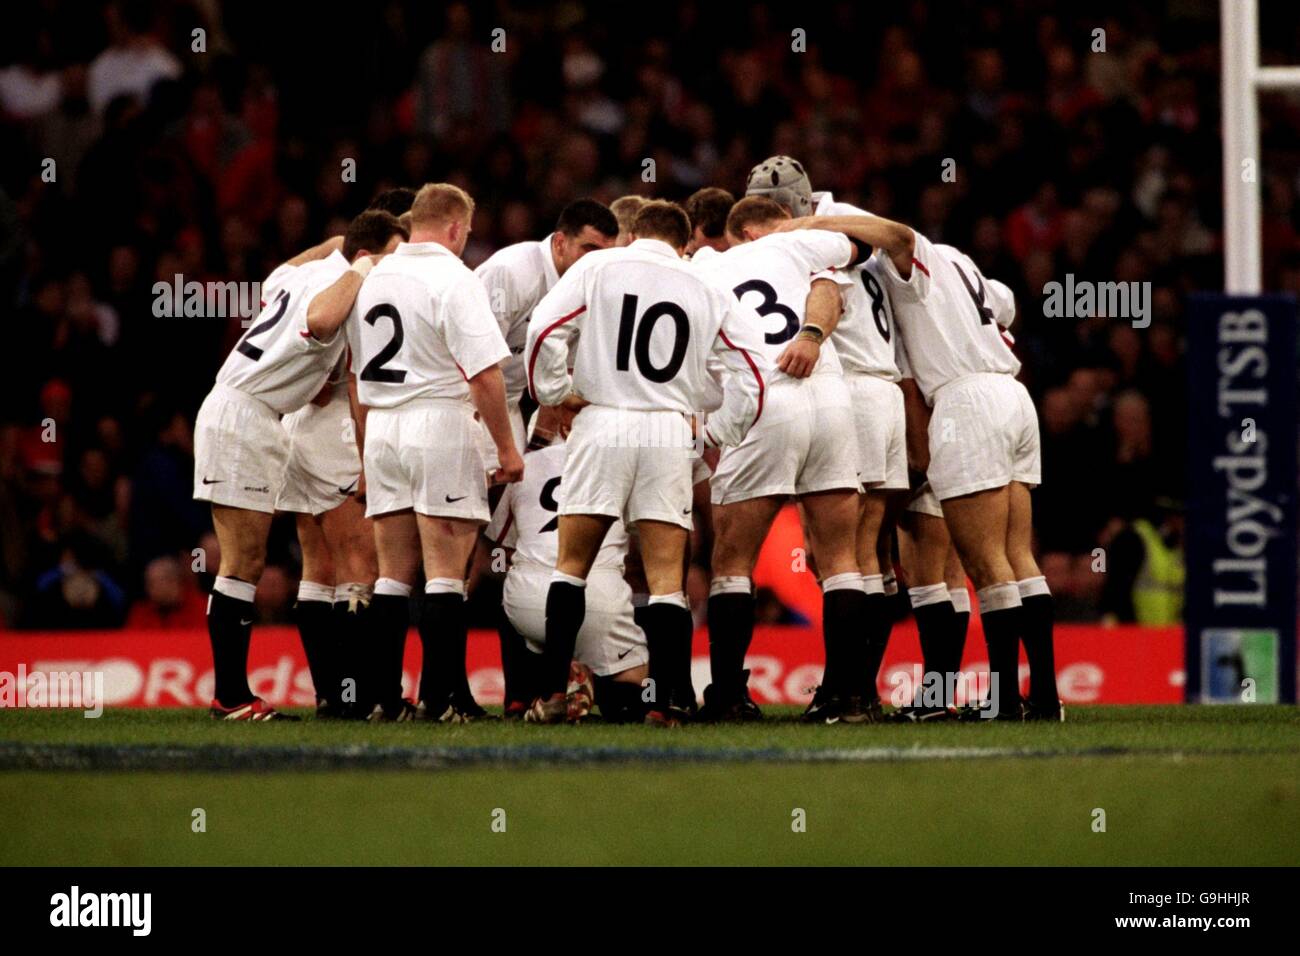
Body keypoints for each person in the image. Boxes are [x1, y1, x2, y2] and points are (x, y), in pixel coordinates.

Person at [524, 200, 770, 725]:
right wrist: (715, 432)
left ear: (634, 232)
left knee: (571, 568)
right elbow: (752, 370)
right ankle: (669, 699)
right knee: (665, 581)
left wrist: (556, 392)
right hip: (666, 429)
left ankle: (549, 695)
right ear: (684, 245)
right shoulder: (703, 282)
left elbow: (544, 329)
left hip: (603, 421)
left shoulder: (598, 266)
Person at [309, 183, 523, 722]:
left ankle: (384, 697)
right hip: (438, 422)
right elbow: (484, 374)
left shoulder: (374, 276)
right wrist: (506, 447)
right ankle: (444, 699)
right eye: (467, 232)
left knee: (392, 575)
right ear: (455, 227)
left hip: (381, 428)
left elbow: (355, 378)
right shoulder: (454, 277)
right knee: (447, 573)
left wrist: (364, 456)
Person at [193, 210, 407, 721]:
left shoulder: (299, 274)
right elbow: (319, 322)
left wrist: (342, 249)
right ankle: (230, 696)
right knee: (241, 563)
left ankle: (233, 694)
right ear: (366, 256)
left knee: (245, 562)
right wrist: (361, 269)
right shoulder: (341, 284)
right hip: (245, 415)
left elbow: (278, 274)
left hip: (250, 415)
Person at [695, 196, 871, 723]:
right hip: (830, 394)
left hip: (765, 396)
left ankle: (728, 696)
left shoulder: (705, 267)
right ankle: (849, 696)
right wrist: (811, 223)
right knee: (841, 560)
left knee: (731, 562)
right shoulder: (794, 244)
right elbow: (856, 247)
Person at [485, 408, 650, 723]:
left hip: (529, 602)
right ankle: (612, 694)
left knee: (507, 586)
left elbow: (501, 546)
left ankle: (522, 697)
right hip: (600, 597)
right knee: (640, 685)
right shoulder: (624, 460)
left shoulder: (526, 464)